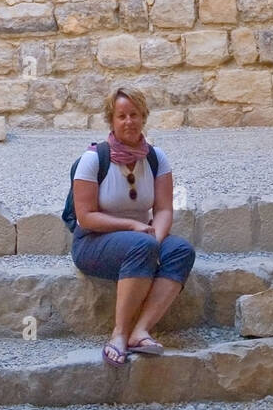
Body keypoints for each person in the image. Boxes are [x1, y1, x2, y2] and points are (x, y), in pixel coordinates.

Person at [70, 85, 196, 366]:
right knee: (142, 244)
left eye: (135, 114)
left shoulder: (155, 158)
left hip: (142, 240)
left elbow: (163, 209)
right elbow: (85, 216)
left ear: (143, 117)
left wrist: (157, 240)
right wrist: (132, 226)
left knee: (182, 250)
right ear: (112, 121)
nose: (129, 122)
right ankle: (118, 334)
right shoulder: (93, 159)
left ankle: (141, 331)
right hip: (94, 242)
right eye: (122, 116)